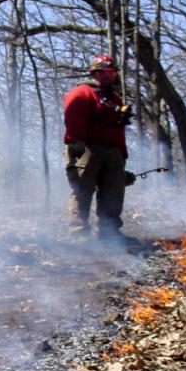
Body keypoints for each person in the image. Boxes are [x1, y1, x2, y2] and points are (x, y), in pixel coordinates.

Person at [62, 55, 133, 243]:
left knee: (113, 192)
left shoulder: (115, 99)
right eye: (104, 73)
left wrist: (122, 154)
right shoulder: (81, 93)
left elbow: (118, 129)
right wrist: (76, 146)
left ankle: (109, 234)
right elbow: (72, 119)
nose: (109, 77)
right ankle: (78, 234)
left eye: (112, 73)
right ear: (94, 73)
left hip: (112, 152)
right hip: (87, 149)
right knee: (82, 190)